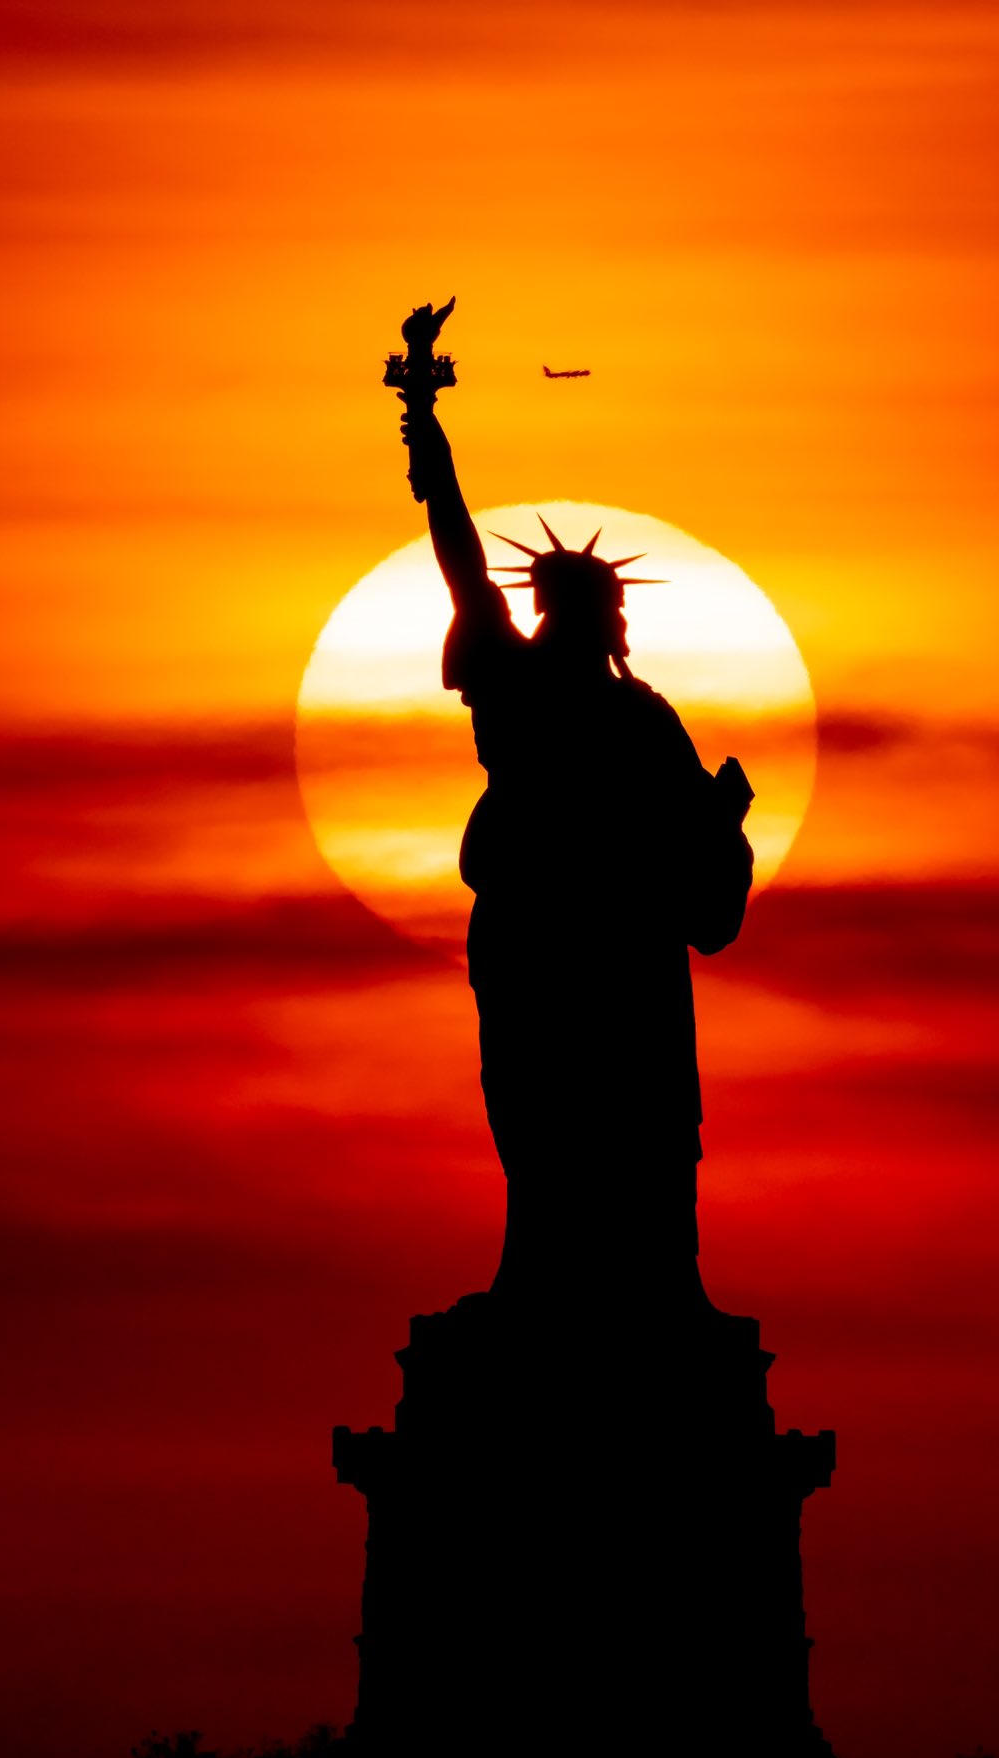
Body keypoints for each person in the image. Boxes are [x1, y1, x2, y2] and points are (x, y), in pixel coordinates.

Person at [398, 311, 753, 1319]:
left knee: (631, 1117)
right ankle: (549, 1280)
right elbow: (460, 555)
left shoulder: (643, 717)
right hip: (550, 943)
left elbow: (695, 854)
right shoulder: (527, 687)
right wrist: (426, 431)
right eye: (603, 605)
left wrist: (717, 823)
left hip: (620, 954)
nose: (613, 619)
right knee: (545, 1109)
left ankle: (646, 1287)